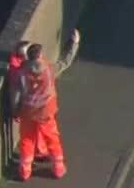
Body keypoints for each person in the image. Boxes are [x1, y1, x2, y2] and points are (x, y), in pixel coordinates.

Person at [7, 31, 80, 167]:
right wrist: (74, 44)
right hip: (46, 111)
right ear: (40, 56)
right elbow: (65, 61)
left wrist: (15, 111)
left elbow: (15, 95)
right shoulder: (49, 70)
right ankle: (58, 167)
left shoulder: (20, 73)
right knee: (52, 138)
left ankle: (25, 171)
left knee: (27, 141)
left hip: (28, 112)